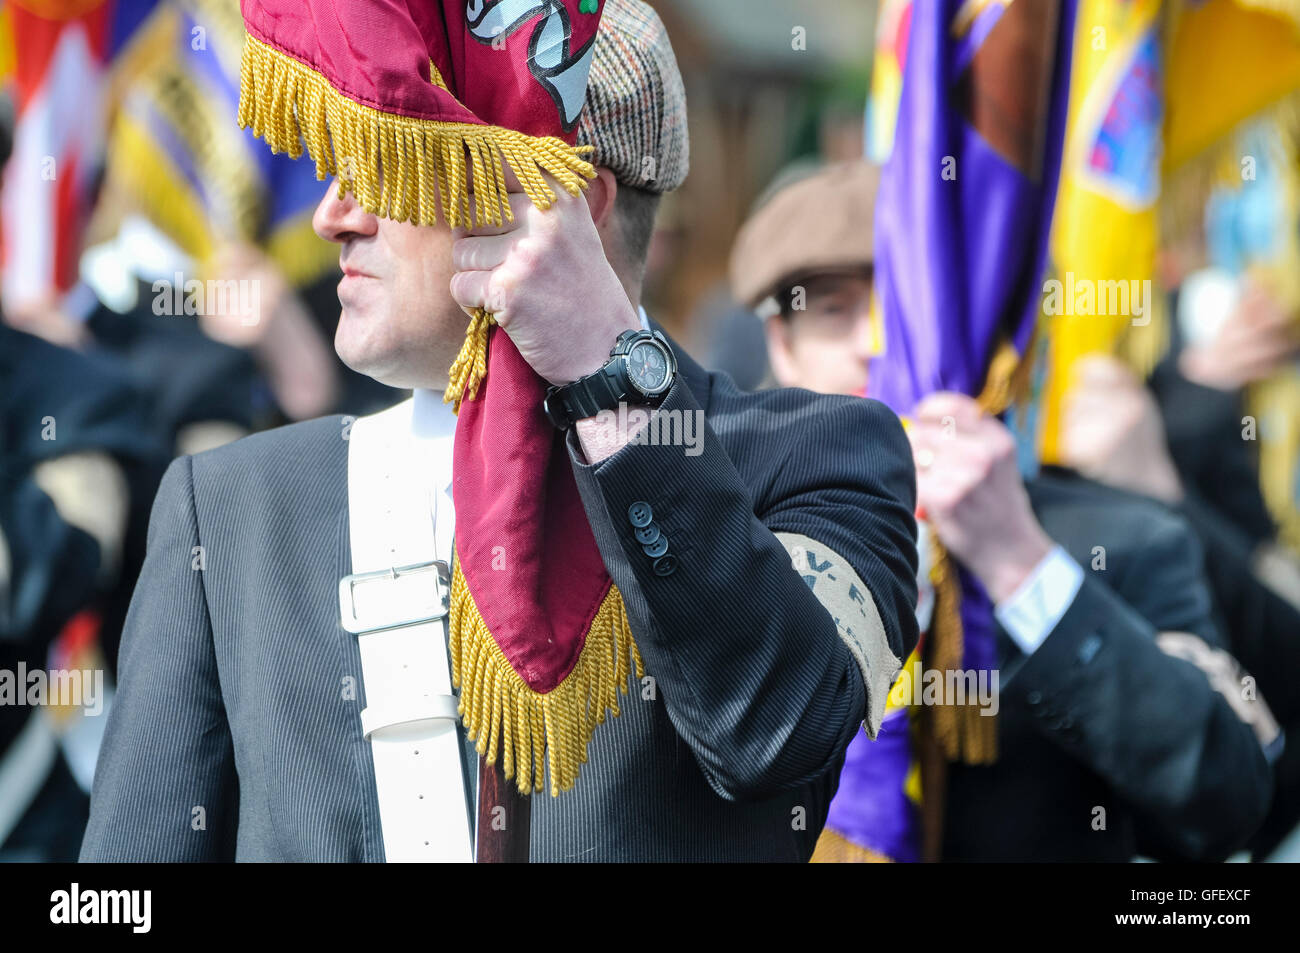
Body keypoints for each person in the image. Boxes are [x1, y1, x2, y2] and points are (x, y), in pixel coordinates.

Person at [80, 0, 918, 863]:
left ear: (564, 208)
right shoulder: (229, 508)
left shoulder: (821, 457)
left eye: (388, 161)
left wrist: (603, 363)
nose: (333, 215)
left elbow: (777, 734)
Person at [730, 160, 1276, 861]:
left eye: (913, 307)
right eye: (835, 310)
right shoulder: (727, 532)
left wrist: (1020, 562)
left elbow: (1222, 802)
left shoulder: (1125, 540)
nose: (879, 345)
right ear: (782, 346)